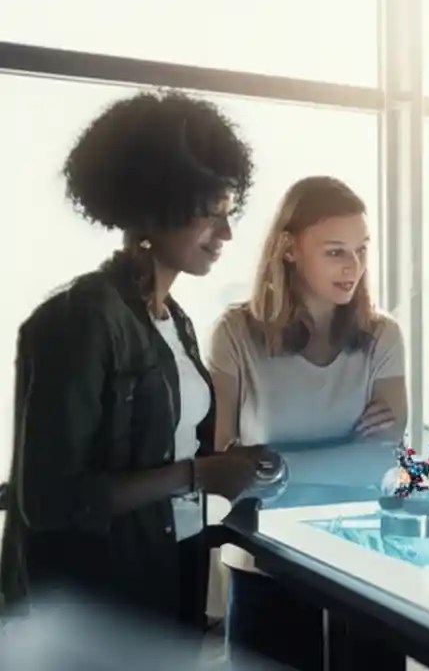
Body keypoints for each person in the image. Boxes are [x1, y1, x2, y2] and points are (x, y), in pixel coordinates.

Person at [0, 91, 269, 636]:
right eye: (211, 214)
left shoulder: (175, 320)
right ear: (155, 207)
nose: (226, 234)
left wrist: (228, 465)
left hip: (176, 569)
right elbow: (50, 501)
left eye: (228, 213)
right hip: (102, 600)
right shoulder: (78, 319)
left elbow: (165, 448)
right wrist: (197, 474)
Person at [209, 176, 407, 670]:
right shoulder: (235, 333)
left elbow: (382, 461)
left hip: (365, 559)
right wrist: (341, 459)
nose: (354, 266)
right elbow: (219, 465)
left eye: (362, 250)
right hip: (263, 558)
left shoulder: (382, 335)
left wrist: (273, 467)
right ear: (288, 249)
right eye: (336, 251)